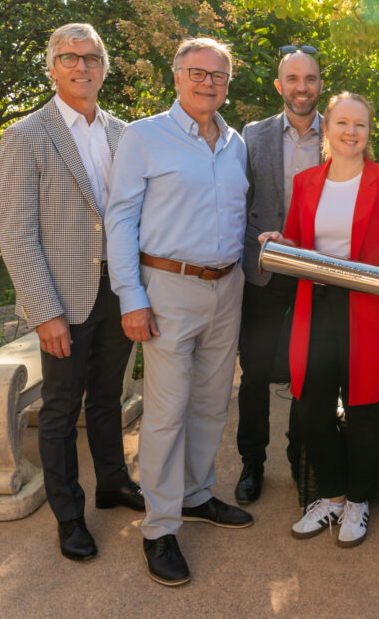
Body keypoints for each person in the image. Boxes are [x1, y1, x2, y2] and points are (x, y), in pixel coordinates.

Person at [258, 92, 379, 548]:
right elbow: (300, 241)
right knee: (312, 409)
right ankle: (332, 496)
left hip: (370, 308)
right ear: (327, 128)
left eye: (360, 125)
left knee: (363, 411)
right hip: (316, 306)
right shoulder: (305, 182)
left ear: (369, 131)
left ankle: (358, 502)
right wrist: (281, 241)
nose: (351, 132)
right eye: (342, 123)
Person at [106, 38, 252, 587]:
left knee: (213, 402)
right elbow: (119, 219)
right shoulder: (143, 137)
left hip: (226, 286)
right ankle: (160, 528)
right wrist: (132, 297)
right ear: (176, 76)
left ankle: (195, 495)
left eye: (218, 75)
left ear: (227, 83)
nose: (208, 82)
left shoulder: (235, 143)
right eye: (197, 72)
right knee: (166, 411)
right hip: (167, 288)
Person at [0, 23, 144, 562]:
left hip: (119, 289)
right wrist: (45, 312)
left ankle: (113, 483)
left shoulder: (124, 134)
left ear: (104, 67)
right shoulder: (25, 136)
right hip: (64, 297)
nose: (82, 67)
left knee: (108, 397)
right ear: (52, 66)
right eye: (70, 57)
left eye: (92, 57)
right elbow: (16, 234)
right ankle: (69, 515)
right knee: (60, 410)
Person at [235, 45, 323, 504]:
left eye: (309, 79)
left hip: (319, 272)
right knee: (253, 376)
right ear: (279, 85)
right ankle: (252, 462)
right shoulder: (253, 135)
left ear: (320, 84)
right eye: (293, 79)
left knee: (308, 373)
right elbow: (237, 203)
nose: (301, 88)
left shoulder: (341, 133)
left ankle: (300, 459)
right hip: (264, 271)